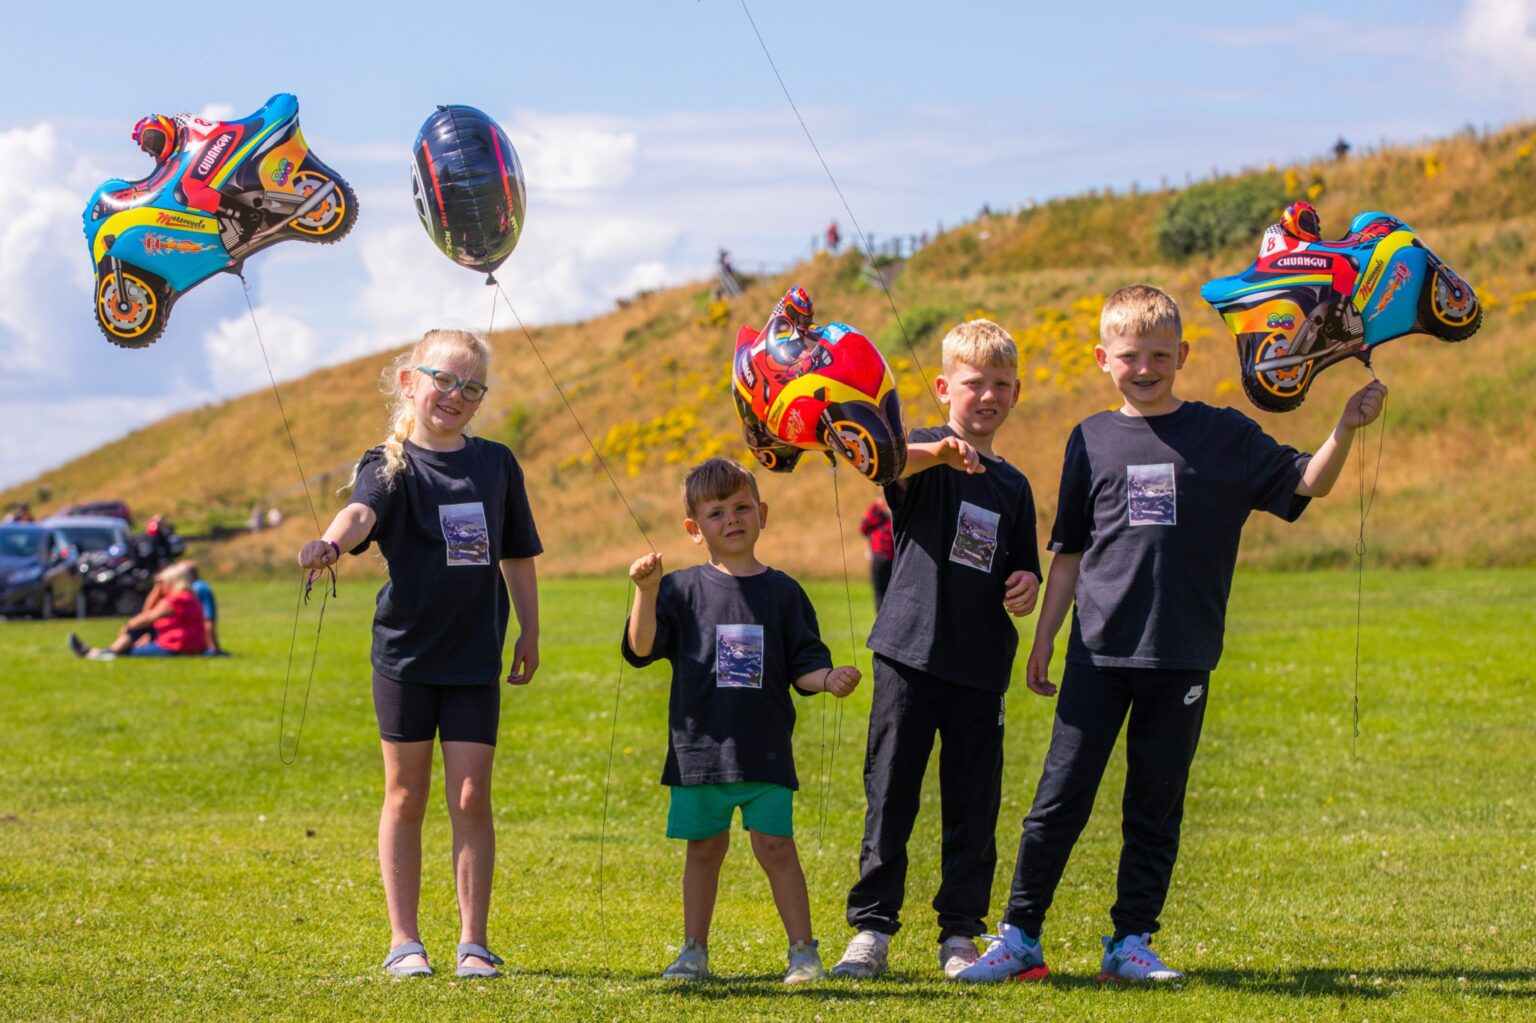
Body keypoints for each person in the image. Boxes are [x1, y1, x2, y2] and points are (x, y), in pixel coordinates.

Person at [958, 285, 1387, 985]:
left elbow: (1308, 481)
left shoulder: (1225, 436)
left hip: (1182, 652)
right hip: (1097, 653)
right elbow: (1067, 552)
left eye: (1161, 354)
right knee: (1057, 802)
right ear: (1103, 358)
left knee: (1154, 806)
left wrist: (1343, 427)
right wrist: (1043, 639)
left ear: (1183, 355)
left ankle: (1130, 941)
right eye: (1131, 356)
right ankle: (1020, 936)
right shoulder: (1090, 439)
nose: (1147, 367)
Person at [295, 328, 542, 980]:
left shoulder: (496, 464)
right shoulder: (388, 461)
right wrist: (326, 541)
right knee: (405, 795)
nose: (456, 395)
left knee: (470, 796)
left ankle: (474, 943)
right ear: (411, 381)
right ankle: (405, 941)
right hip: (405, 655)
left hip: (475, 655)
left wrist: (530, 631)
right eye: (444, 380)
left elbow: (517, 552)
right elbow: (359, 514)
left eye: (472, 386)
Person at [831, 319, 1042, 981]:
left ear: (1014, 394)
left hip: (980, 665)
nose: (988, 395)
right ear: (946, 386)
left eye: (1001, 384)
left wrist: (1026, 583)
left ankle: (960, 932)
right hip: (908, 654)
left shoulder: (1013, 485)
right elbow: (878, 464)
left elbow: (1024, 564)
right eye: (975, 382)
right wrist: (940, 454)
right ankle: (871, 929)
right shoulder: (920, 448)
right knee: (891, 792)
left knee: (972, 802)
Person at [624, 458, 862, 985]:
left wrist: (829, 679)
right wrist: (644, 591)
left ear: (763, 513)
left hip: (765, 749)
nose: (731, 519)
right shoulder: (679, 589)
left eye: (741, 507)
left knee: (777, 848)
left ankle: (803, 953)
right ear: (693, 529)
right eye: (715, 513)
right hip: (699, 752)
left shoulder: (784, 593)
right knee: (704, 850)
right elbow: (640, 649)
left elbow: (804, 666)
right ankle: (693, 953)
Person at [68, 561, 206, 660]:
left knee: (132, 644)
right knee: (140, 629)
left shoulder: (178, 598)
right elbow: (148, 612)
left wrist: (128, 626)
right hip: (185, 643)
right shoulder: (187, 596)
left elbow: (148, 616)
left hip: (178, 646)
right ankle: (107, 651)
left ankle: (105, 652)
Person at [182, 560, 225, 656]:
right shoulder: (198, 585)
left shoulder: (198, 587)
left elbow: (207, 620)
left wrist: (212, 648)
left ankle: (212, 648)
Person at [859, 501, 894, 609]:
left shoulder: (898, 507)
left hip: (895, 558)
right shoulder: (876, 510)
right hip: (880, 556)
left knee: (894, 592)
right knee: (880, 593)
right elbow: (864, 527)